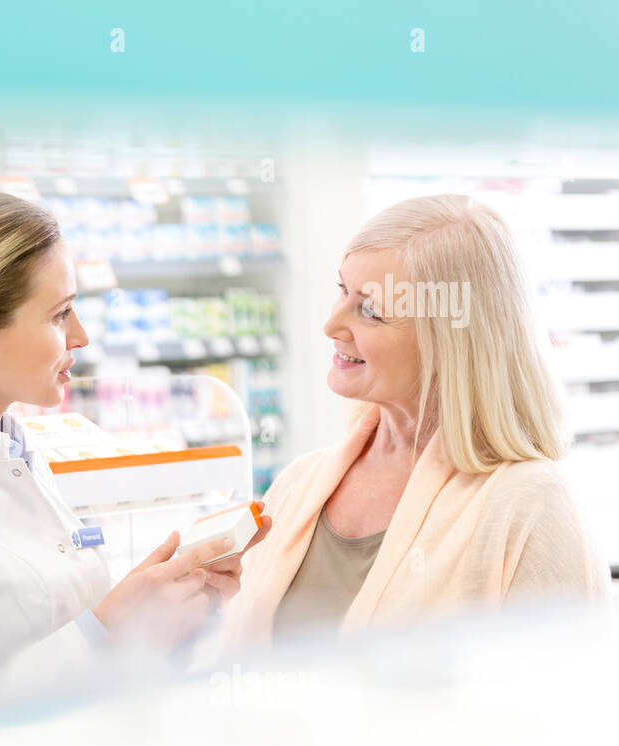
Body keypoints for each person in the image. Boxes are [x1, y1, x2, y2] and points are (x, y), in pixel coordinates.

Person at [0, 189, 270, 718]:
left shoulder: (12, 450)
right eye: (60, 315)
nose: (80, 336)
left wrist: (167, 621)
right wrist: (105, 632)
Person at [226, 194, 610, 646]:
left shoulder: (530, 507)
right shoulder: (298, 484)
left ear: (450, 341)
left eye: (370, 310)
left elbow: (560, 701)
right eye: (342, 291)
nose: (331, 324)